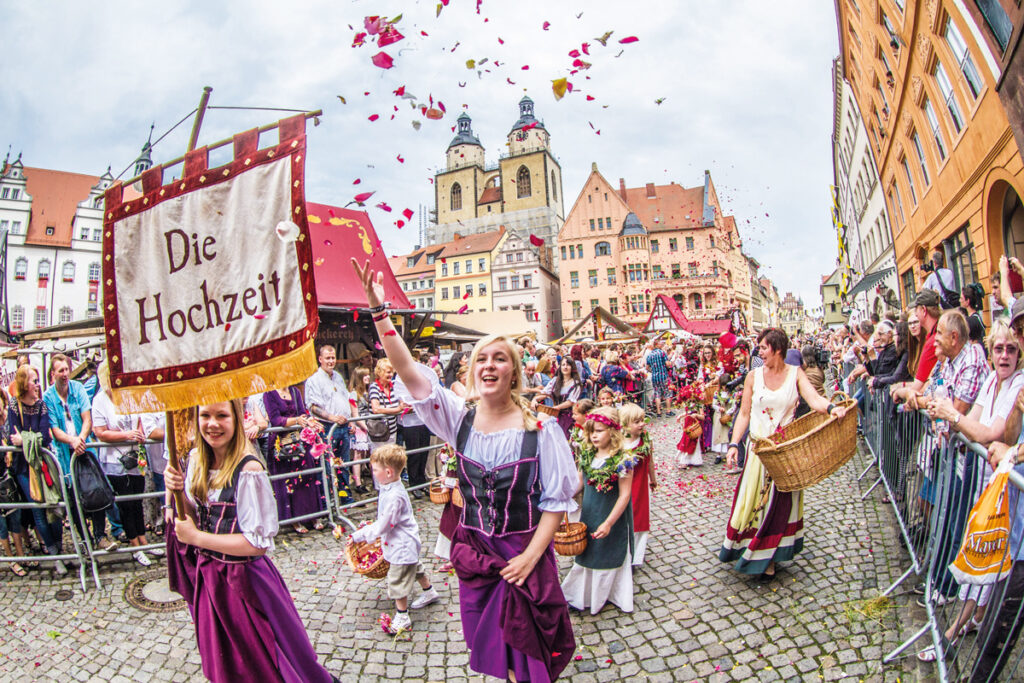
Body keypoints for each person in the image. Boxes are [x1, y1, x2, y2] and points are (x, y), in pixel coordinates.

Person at [352, 258, 577, 681]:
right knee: (491, 650)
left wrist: (531, 557)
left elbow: (556, 503)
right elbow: (409, 374)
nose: (489, 365)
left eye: (499, 359)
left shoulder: (541, 429)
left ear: (514, 371)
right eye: (481, 359)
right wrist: (380, 313)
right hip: (477, 555)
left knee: (529, 657)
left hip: (523, 551)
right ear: (473, 371)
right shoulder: (459, 418)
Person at [163, 400, 335, 683]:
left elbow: (256, 544)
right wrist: (178, 492)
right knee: (225, 663)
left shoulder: (249, 470)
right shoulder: (195, 459)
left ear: (236, 419)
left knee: (263, 662)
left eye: (222, 415)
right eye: (205, 415)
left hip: (244, 581)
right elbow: (192, 516)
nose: (212, 424)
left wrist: (197, 538)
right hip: (211, 582)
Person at [918, 318, 1021, 663]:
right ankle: (972, 622)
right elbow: (971, 421)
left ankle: (952, 635)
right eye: (999, 348)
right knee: (985, 565)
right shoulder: (993, 379)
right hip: (985, 485)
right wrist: (948, 415)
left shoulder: (1018, 384)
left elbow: (987, 433)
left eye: (1011, 349)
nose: (1004, 355)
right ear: (990, 351)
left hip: (1008, 497)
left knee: (987, 565)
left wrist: (952, 414)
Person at [719, 329, 849, 579]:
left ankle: (769, 555)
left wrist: (832, 408)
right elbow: (744, 414)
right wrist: (734, 444)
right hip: (758, 452)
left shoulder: (795, 374)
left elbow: (813, 400)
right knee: (754, 502)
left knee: (779, 506)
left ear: (778, 349)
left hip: (783, 453)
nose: (759, 352)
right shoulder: (753, 377)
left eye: (764, 347)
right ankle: (750, 548)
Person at [350, 444, 439, 633]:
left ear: (388, 472)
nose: (373, 473)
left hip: (402, 544)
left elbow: (384, 524)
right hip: (404, 543)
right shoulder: (388, 487)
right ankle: (429, 591)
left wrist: (361, 535)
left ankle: (402, 615)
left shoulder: (395, 496)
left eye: (375, 470)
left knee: (397, 579)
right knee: (414, 567)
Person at [560, 406, 637, 613]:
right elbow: (580, 480)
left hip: (611, 514)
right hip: (591, 512)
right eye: (592, 430)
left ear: (612, 431)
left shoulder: (624, 459)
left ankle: (609, 594)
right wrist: (564, 497)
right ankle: (579, 595)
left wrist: (609, 522)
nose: (594, 435)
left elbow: (625, 495)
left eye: (600, 430)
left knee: (607, 551)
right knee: (589, 551)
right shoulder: (588, 454)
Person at [42, 354, 114, 551]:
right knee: (73, 498)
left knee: (95, 490)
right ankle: (85, 538)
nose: (65, 374)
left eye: (66, 370)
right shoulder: (48, 397)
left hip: (84, 448)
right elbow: (54, 429)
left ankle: (100, 535)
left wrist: (81, 438)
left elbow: (87, 418)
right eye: (61, 371)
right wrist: (71, 440)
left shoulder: (78, 388)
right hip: (64, 454)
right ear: (53, 373)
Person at [91, 364, 153, 566]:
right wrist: (126, 436)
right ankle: (135, 544)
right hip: (115, 461)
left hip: (136, 457)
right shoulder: (100, 400)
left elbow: (140, 416)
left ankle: (144, 540)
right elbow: (100, 432)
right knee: (126, 504)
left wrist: (139, 432)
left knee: (138, 500)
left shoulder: (128, 393)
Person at [262, 385, 324, 534]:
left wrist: (309, 421)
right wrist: (297, 420)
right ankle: (294, 520)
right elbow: (276, 420)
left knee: (307, 476)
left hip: (300, 441)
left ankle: (313, 515)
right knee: (289, 482)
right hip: (282, 444)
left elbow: (302, 413)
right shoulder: (269, 394)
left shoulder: (295, 391)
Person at [304, 345, 354, 503]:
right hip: (327, 427)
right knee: (326, 466)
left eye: (333, 358)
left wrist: (351, 420)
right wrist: (331, 417)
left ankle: (344, 497)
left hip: (344, 426)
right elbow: (313, 406)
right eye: (328, 358)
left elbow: (345, 399)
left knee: (343, 464)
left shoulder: (338, 376)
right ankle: (328, 500)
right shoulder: (314, 380)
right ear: (320, 359)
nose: (331, 361)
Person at [619, 403, 655, 566]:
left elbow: (650, 461)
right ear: (625, 425)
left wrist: (653, 479)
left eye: (642, 420)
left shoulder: (645, 439)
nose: (642, 424)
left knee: (640, 518)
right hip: (623, 487)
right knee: (624, 520)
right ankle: (623, 552)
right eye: (637, 421)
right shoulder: (619, 443)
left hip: (641, 486)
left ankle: (636, 557)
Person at [535, 357, 583, 439]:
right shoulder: (555, 381)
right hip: (554, 415)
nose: (565, 367)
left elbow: (570, 402)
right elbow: (545, 393)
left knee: (564, 438)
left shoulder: (576, 383)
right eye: (563, 365)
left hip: (568, 416)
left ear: (572, 367)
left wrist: (557, 407)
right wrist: (535, 399)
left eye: (568, 365)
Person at [347, 368, 371, 494]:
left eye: (368, 375)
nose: (368, 377)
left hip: (370, 425)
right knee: (358, 455)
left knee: (370, 455)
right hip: (360, 427)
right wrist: (367, 428)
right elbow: (355, 415)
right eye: (364, 375)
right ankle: (358, 483)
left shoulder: (369, 391)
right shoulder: (353, 394)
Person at [369, 359, 403, 447]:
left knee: (390, 458)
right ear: (380, 373)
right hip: (378, 433)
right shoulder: (374, 387)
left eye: (392, 372)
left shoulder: (393, 387)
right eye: (388, 372)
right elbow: (376, 409)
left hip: (392, 430)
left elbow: (402, 403)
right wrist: (397, 409)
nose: (391, 375)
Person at [645, 339, 672, 417]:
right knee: (667, 393)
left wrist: (653, 370)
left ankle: (658, 412)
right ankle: (668, 411)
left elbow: (647, 367)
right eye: (661, 343)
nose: (662, 345)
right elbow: (667, 364)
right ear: (657, 345)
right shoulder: (662, 353)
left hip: (654, 377)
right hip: (663, 375)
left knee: (657, 394)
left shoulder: (650, 355)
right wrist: (670, 364)